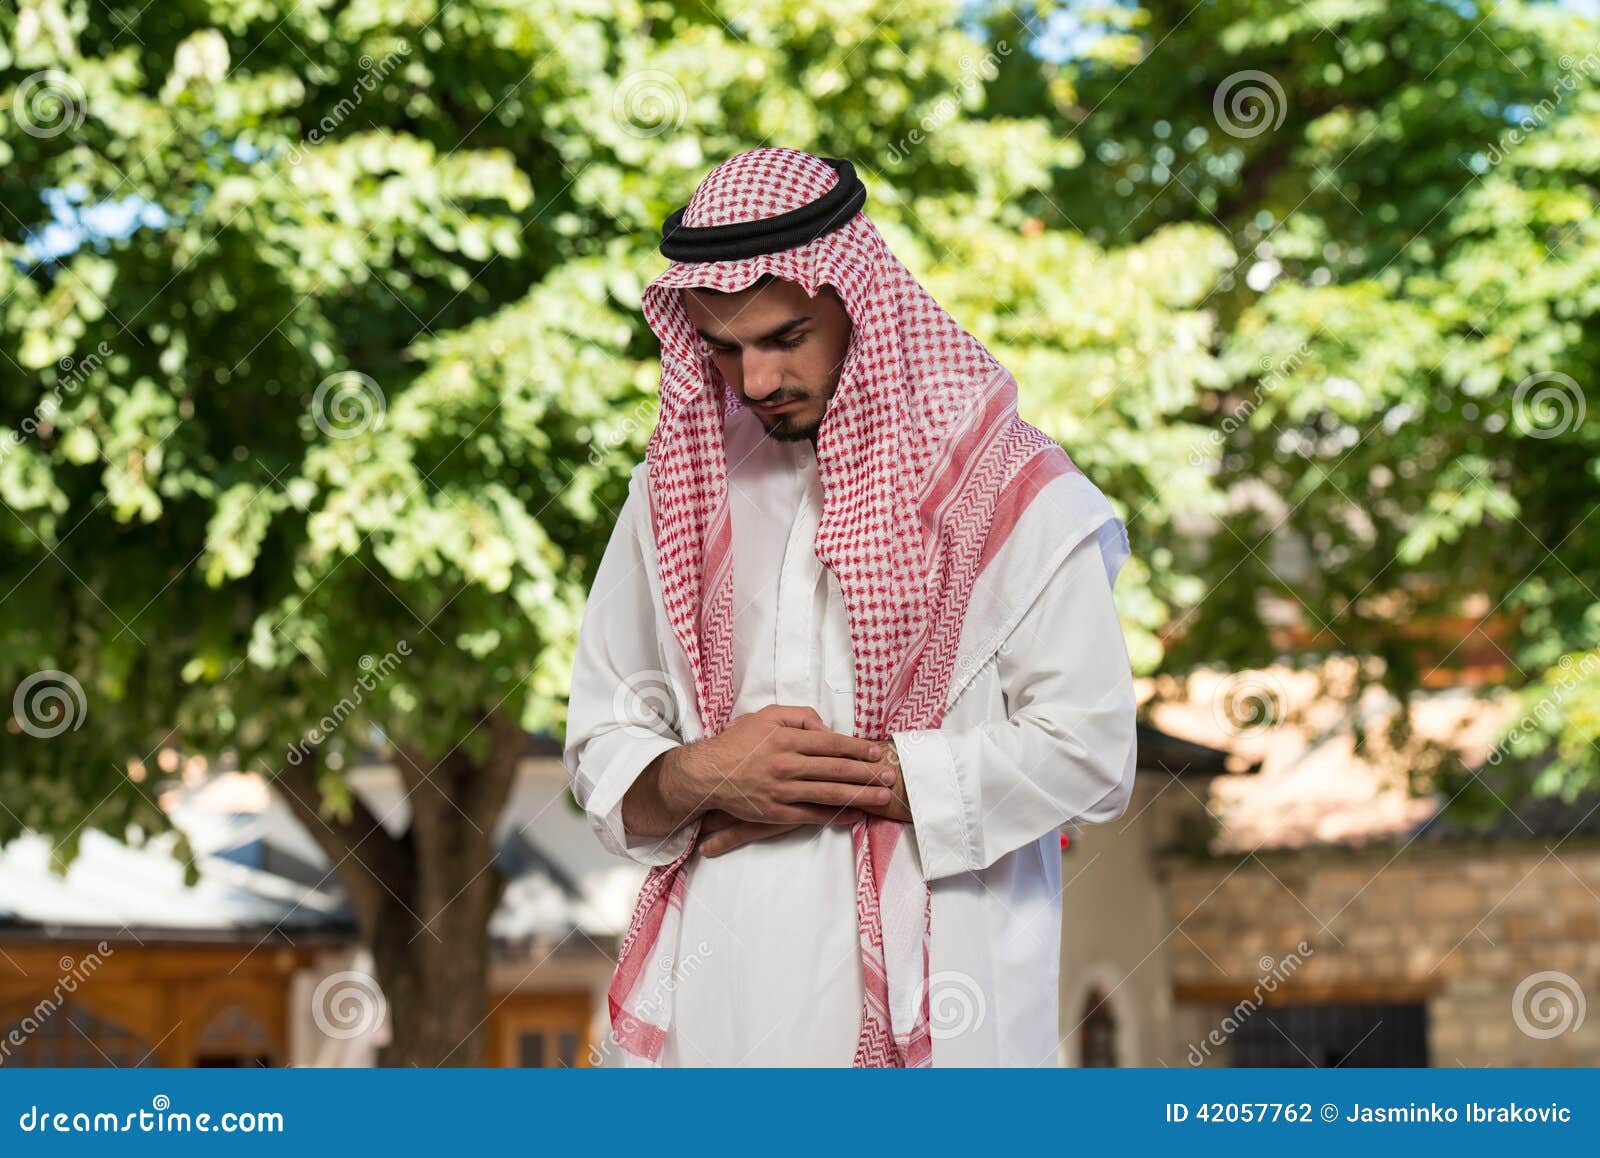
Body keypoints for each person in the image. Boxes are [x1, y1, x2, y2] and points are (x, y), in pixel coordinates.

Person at [563, 147, 1137, 1067]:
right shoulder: (673, 492)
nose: (753, 383)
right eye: (724, 349)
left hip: (950, 1000)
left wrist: (849, 781)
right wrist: (703, 775)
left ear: (857, 304)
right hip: (723, 1004)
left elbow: (1092, 751)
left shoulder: (1015, 495)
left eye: (785, 338)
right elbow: (602, 745)